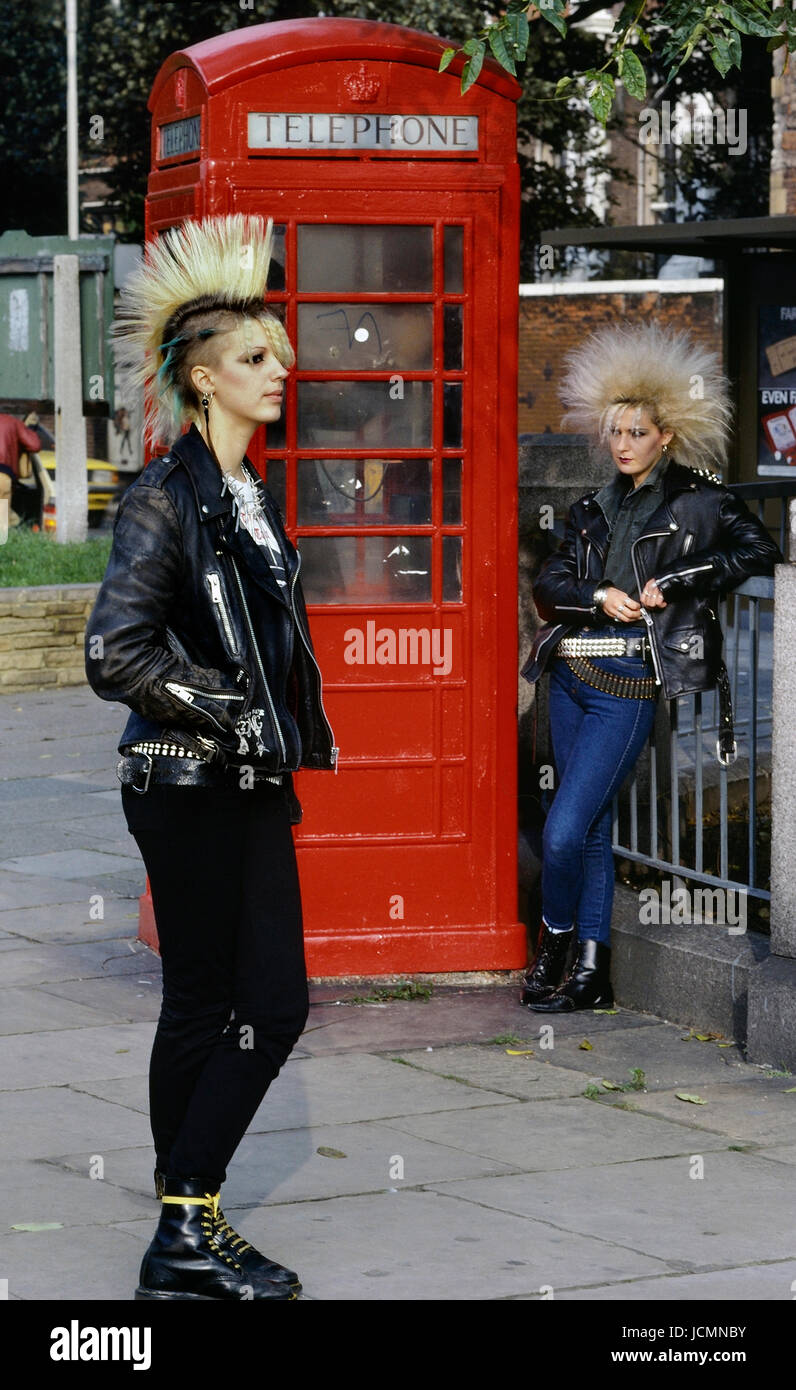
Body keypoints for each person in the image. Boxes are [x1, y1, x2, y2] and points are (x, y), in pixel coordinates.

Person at [85, 214, 338, 1300]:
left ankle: (187, 1215)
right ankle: (186, 1217)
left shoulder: (246, 497)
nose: (278, 370)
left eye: (276, 354)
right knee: (268, 1002)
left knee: (199, 1000)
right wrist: (229, 709)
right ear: (201, 378)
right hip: (190, 783)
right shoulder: (163, 496)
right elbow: (114, 650)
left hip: (243, 780)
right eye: (253, 358)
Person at [518, 321, 782, 1014]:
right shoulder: (591, 509)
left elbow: (756, 551)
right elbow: (548, 587)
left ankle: (555, 941)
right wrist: (595, 593)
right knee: (593, 830)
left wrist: (686, 577)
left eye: (637, 432)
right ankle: (591, 973)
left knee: (564, 830)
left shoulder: (697, 498)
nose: (624, 445)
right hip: (570, 678)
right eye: (616, 433)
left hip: (627, 686)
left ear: (666, 434)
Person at [0, 410, 46, 526]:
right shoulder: (13, 422)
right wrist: (30, 429)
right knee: (4, 525)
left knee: (12, 521)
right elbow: (34, 445)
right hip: (2, 476)